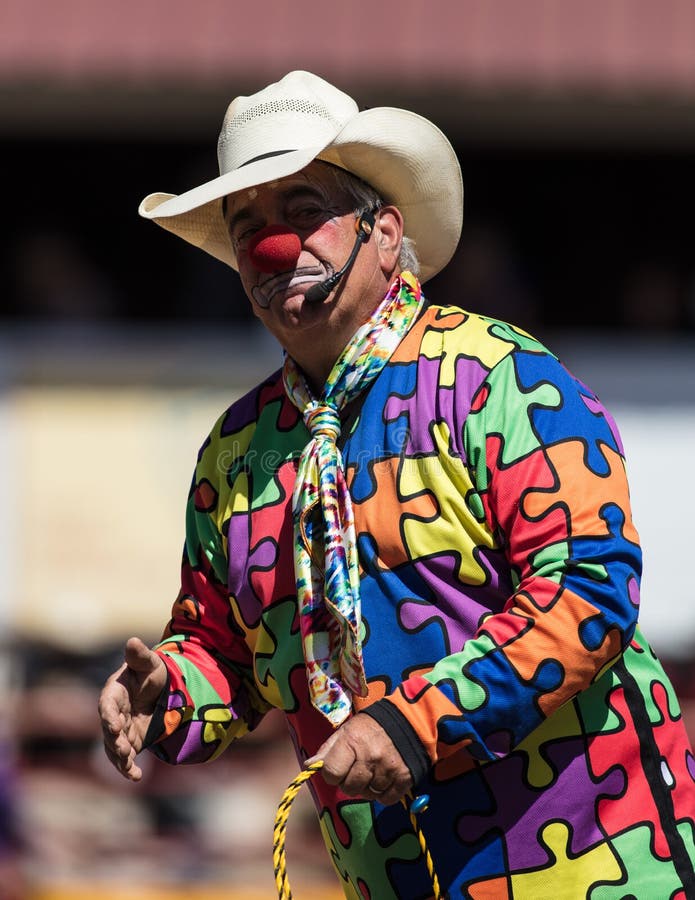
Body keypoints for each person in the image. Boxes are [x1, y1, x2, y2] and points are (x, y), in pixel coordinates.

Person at [99, 71, 695, 898]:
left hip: (598, 864)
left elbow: (588, 594)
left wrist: (417, 726)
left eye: (305, 212)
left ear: (384, 232)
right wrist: (168, 691)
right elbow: (226, 654)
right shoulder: (235, 455)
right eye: (248, 228)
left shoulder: (501, 380)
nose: (274, 248)